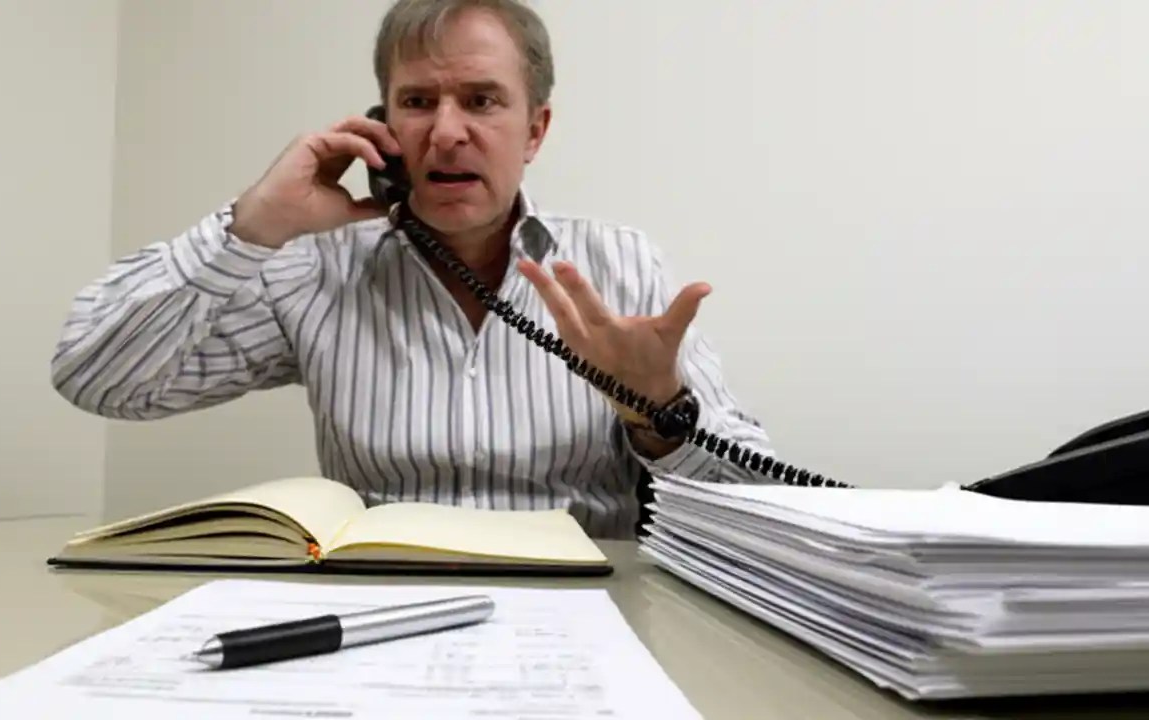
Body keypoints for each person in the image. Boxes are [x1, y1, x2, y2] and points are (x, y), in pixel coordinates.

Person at [50, 0, 776, 539]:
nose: (448, 131)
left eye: (482, 100)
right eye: (418, 102)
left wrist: (663, 416)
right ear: (384, 125)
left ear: (535, 131)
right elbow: (98, 378)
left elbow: (757, 498)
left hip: (589, 615)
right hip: (374, 617)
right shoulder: (315, 273)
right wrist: (254, 224)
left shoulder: (621, 267)